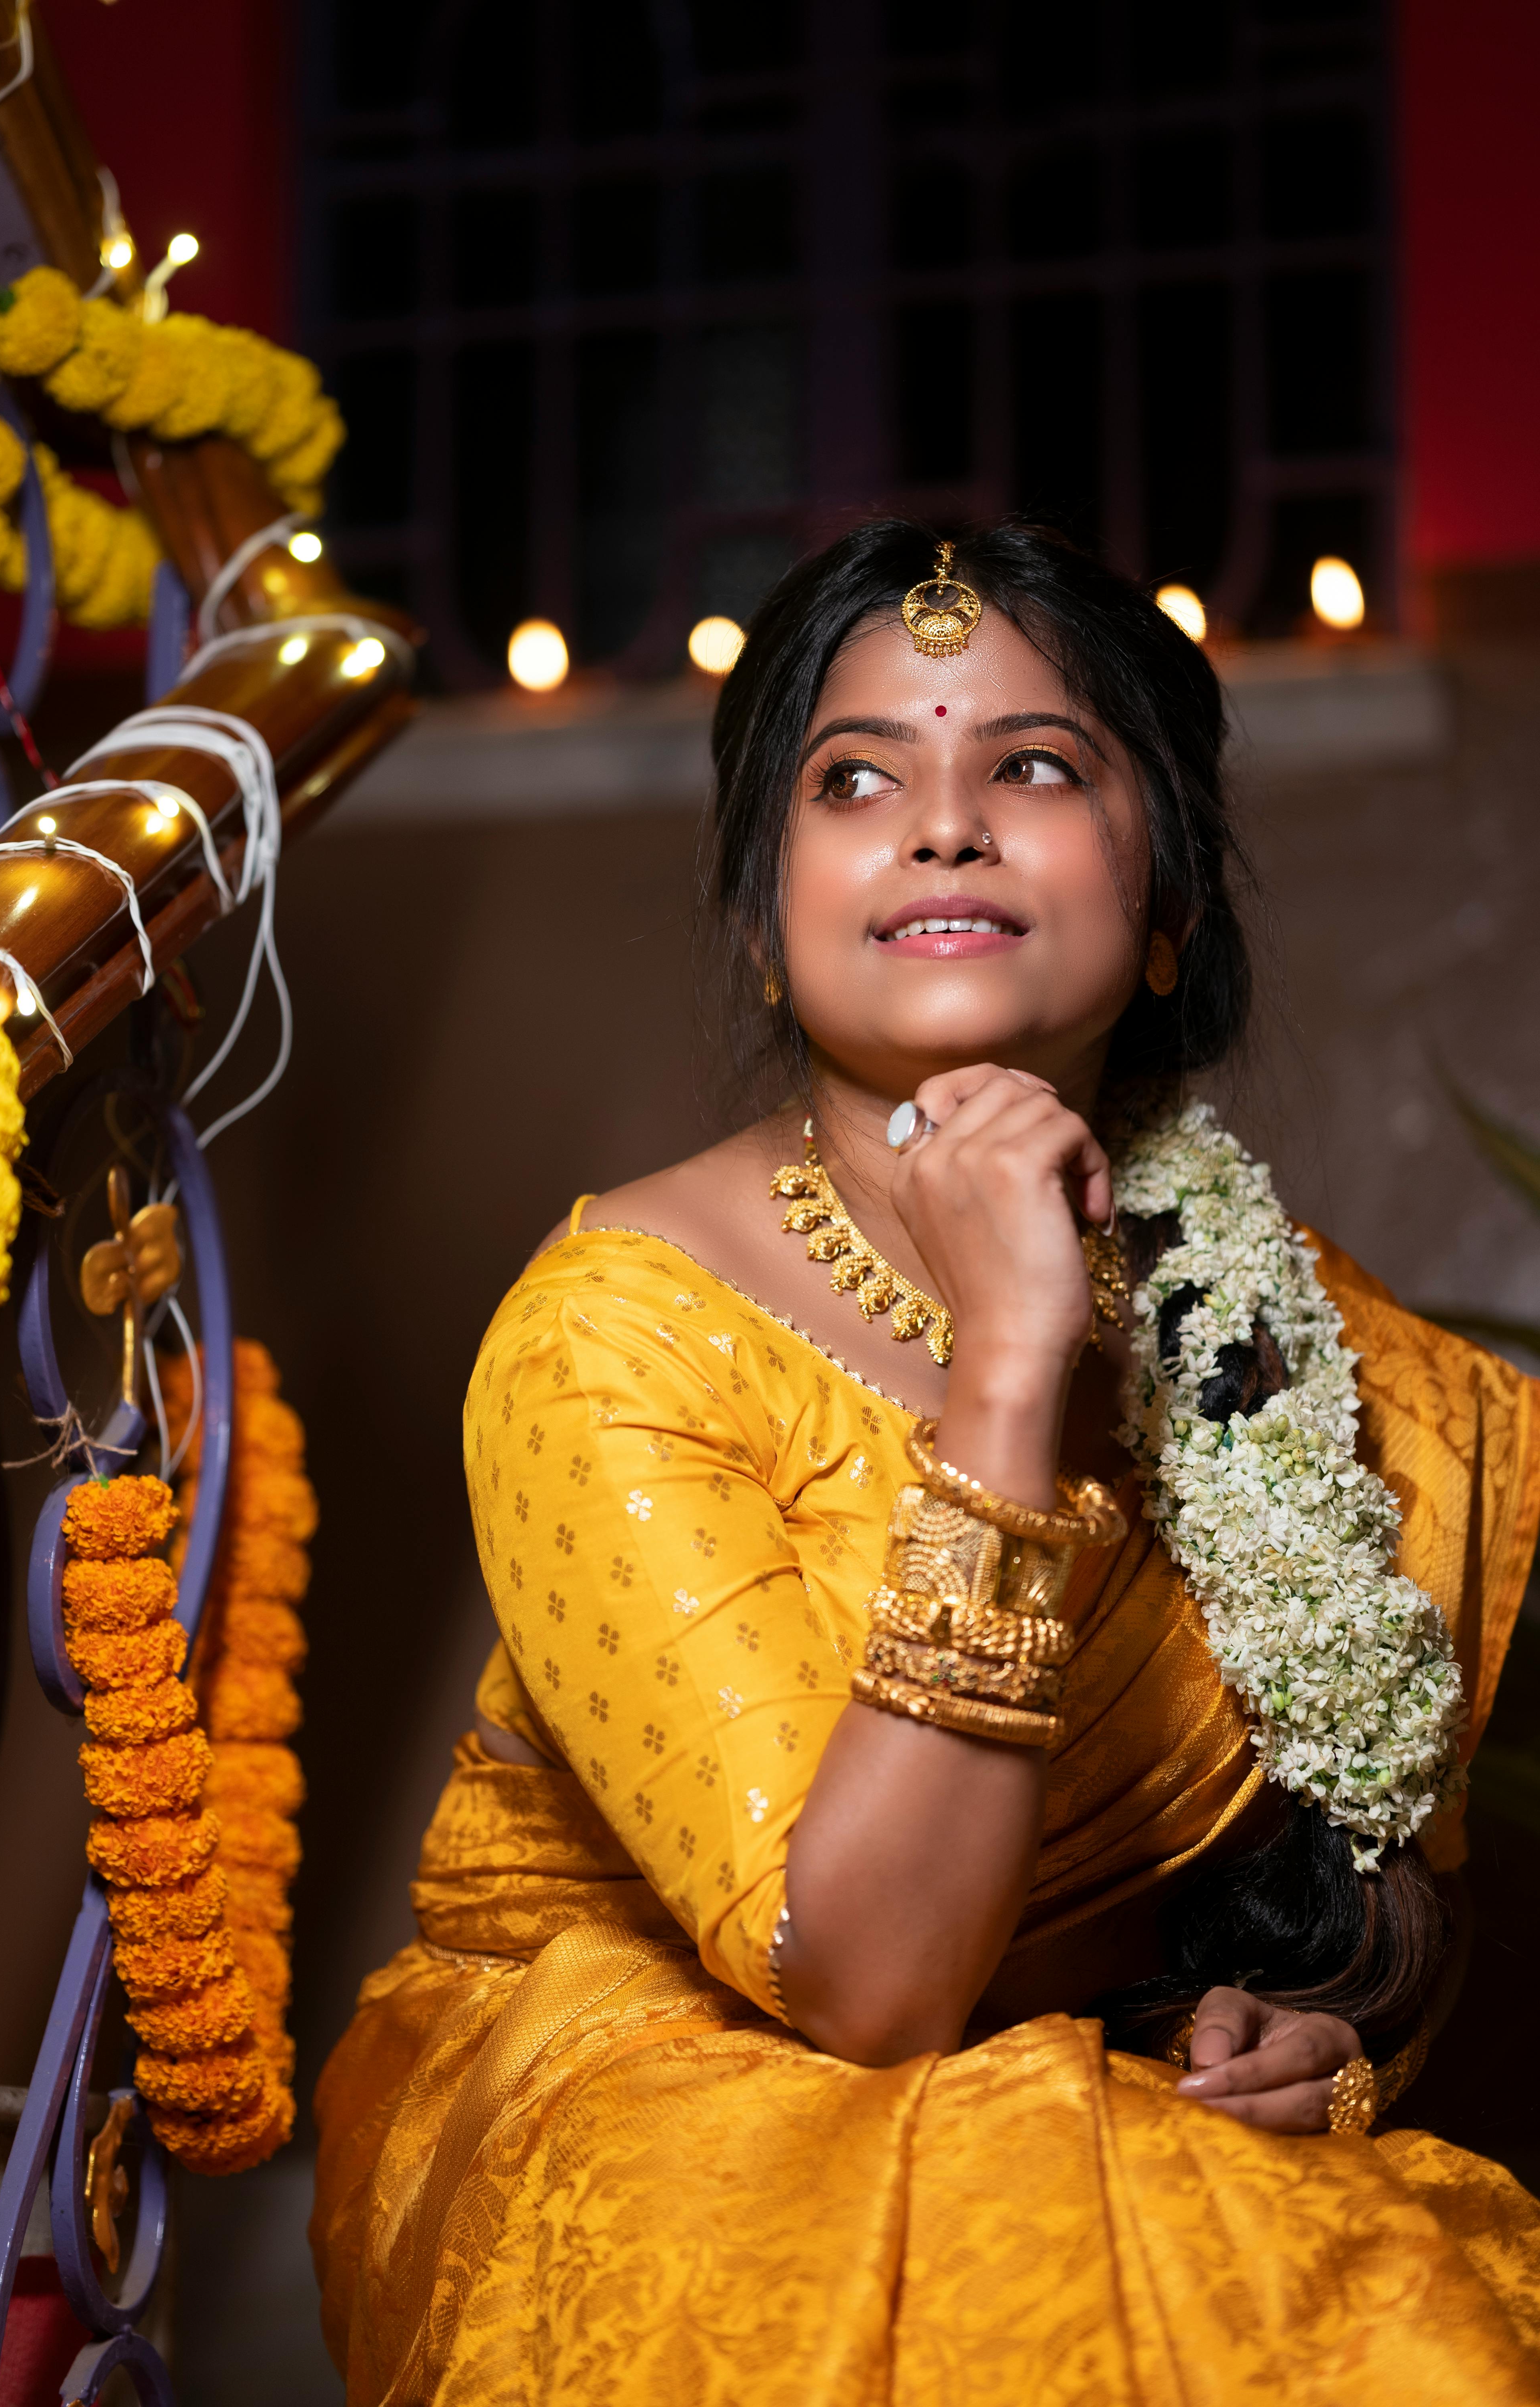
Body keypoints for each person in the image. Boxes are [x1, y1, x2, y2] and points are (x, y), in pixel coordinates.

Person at [311, 521, 1540, 2405]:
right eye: (853, 777)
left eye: (1032, 766)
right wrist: (1014, 1363)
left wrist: (1328, 2030)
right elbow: (868, 1989)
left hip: (1100, 2092)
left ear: (1167, 914)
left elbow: (1395, 1890)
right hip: (669, 2098)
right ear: (759, 911)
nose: (940, 824)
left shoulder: (1321, 1346)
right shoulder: (609, 1330)